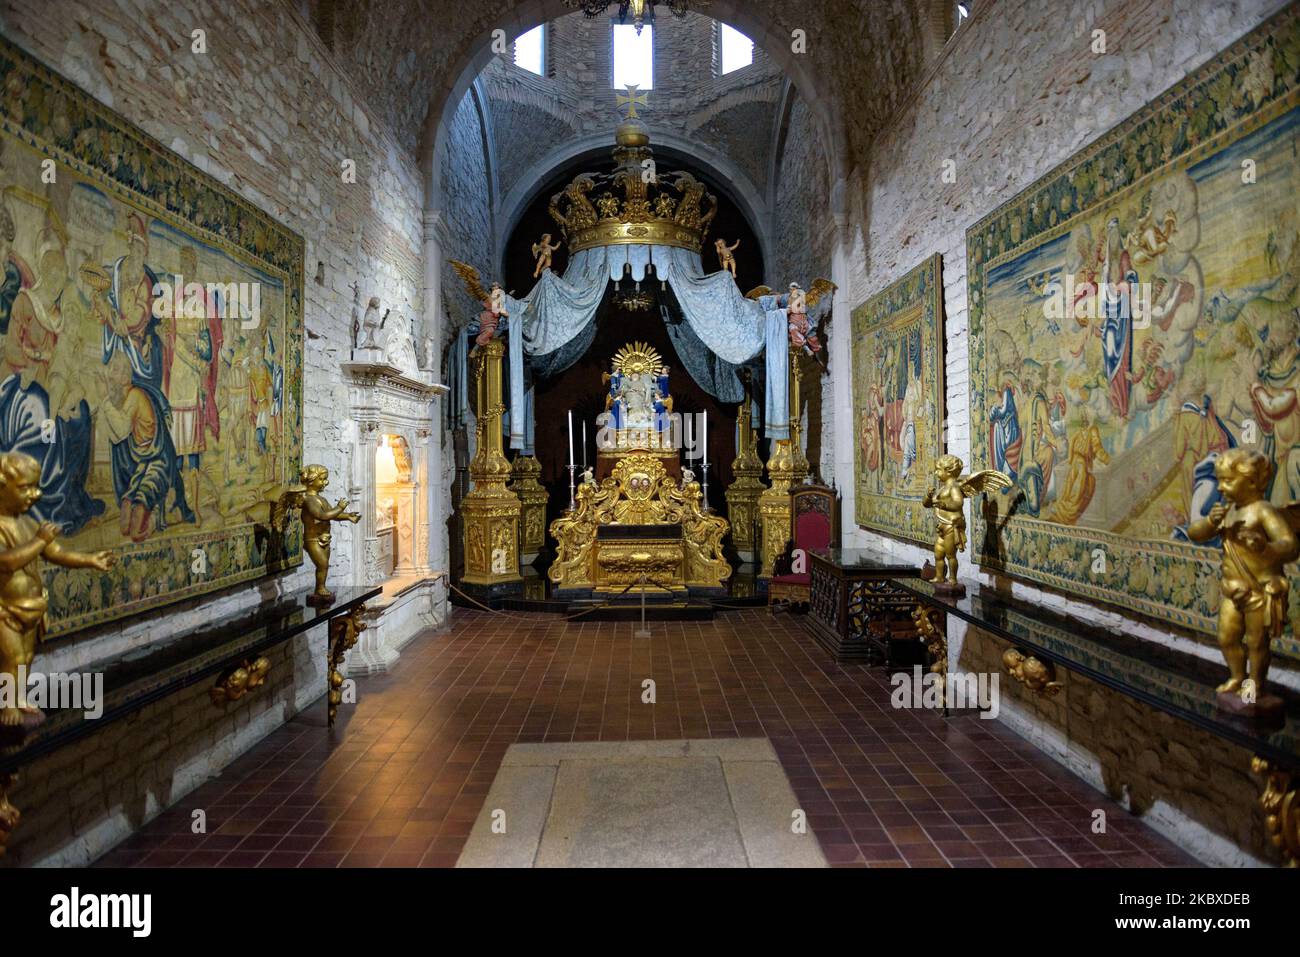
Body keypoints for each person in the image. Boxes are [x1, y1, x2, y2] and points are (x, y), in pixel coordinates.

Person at [0, 450, 114, 726]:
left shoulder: (27, 523)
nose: (36, 494)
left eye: (36, 487)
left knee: (26, 657)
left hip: (33, 607)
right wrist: (39, 541)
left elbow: (57, 552)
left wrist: (89, 559)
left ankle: (19, 697)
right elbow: (6, 562)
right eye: (27, 488)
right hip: (5, 611)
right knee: (11, 658)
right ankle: (6, 706)